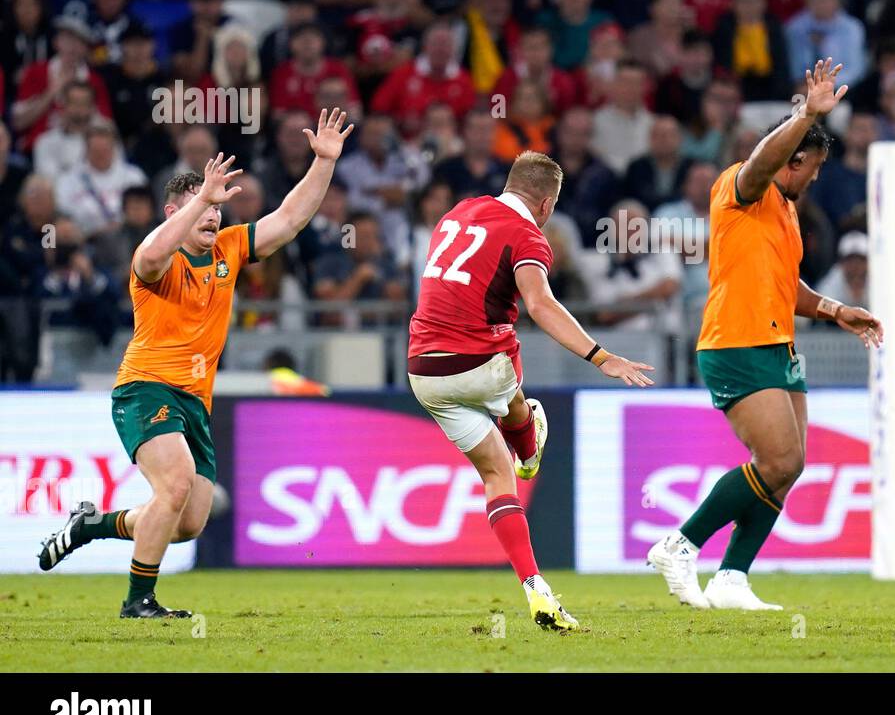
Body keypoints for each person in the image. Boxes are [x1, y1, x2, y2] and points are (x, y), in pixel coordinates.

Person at [34, 108, 355, 618]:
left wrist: (322, 163)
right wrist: (199, 199)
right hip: (145, 388)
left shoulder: (227, 249)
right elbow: (149, 254)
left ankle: (90, 525)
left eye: (216, 207)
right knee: (176, 485)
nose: (212, 216)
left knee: (187, 522)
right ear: (172, 213)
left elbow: (290, 220)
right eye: (201, 207)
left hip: (194, 401)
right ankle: (139, 602)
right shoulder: (155, 262)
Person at [647, 58, 883, 611]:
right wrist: (807, 113)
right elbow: (760, 163)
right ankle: (680, 544)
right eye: (813, 166)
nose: (817, 177)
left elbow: (786, 284)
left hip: (778, 344)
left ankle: (731, 578)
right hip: (736, 341)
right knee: (776, 461)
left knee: (791, 464)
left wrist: (832, 308)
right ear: (793, 157)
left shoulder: (785, 210)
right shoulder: (741, 185)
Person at [407, 151, 653, 631]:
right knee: (509, 353)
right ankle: (527, 443)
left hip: (422, 369)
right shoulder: (527, 234)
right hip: (480, 363)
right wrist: (601, 356)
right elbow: (540, 303)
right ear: (545, 205)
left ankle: (537, 588)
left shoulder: (457, 213)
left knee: (497, 476)